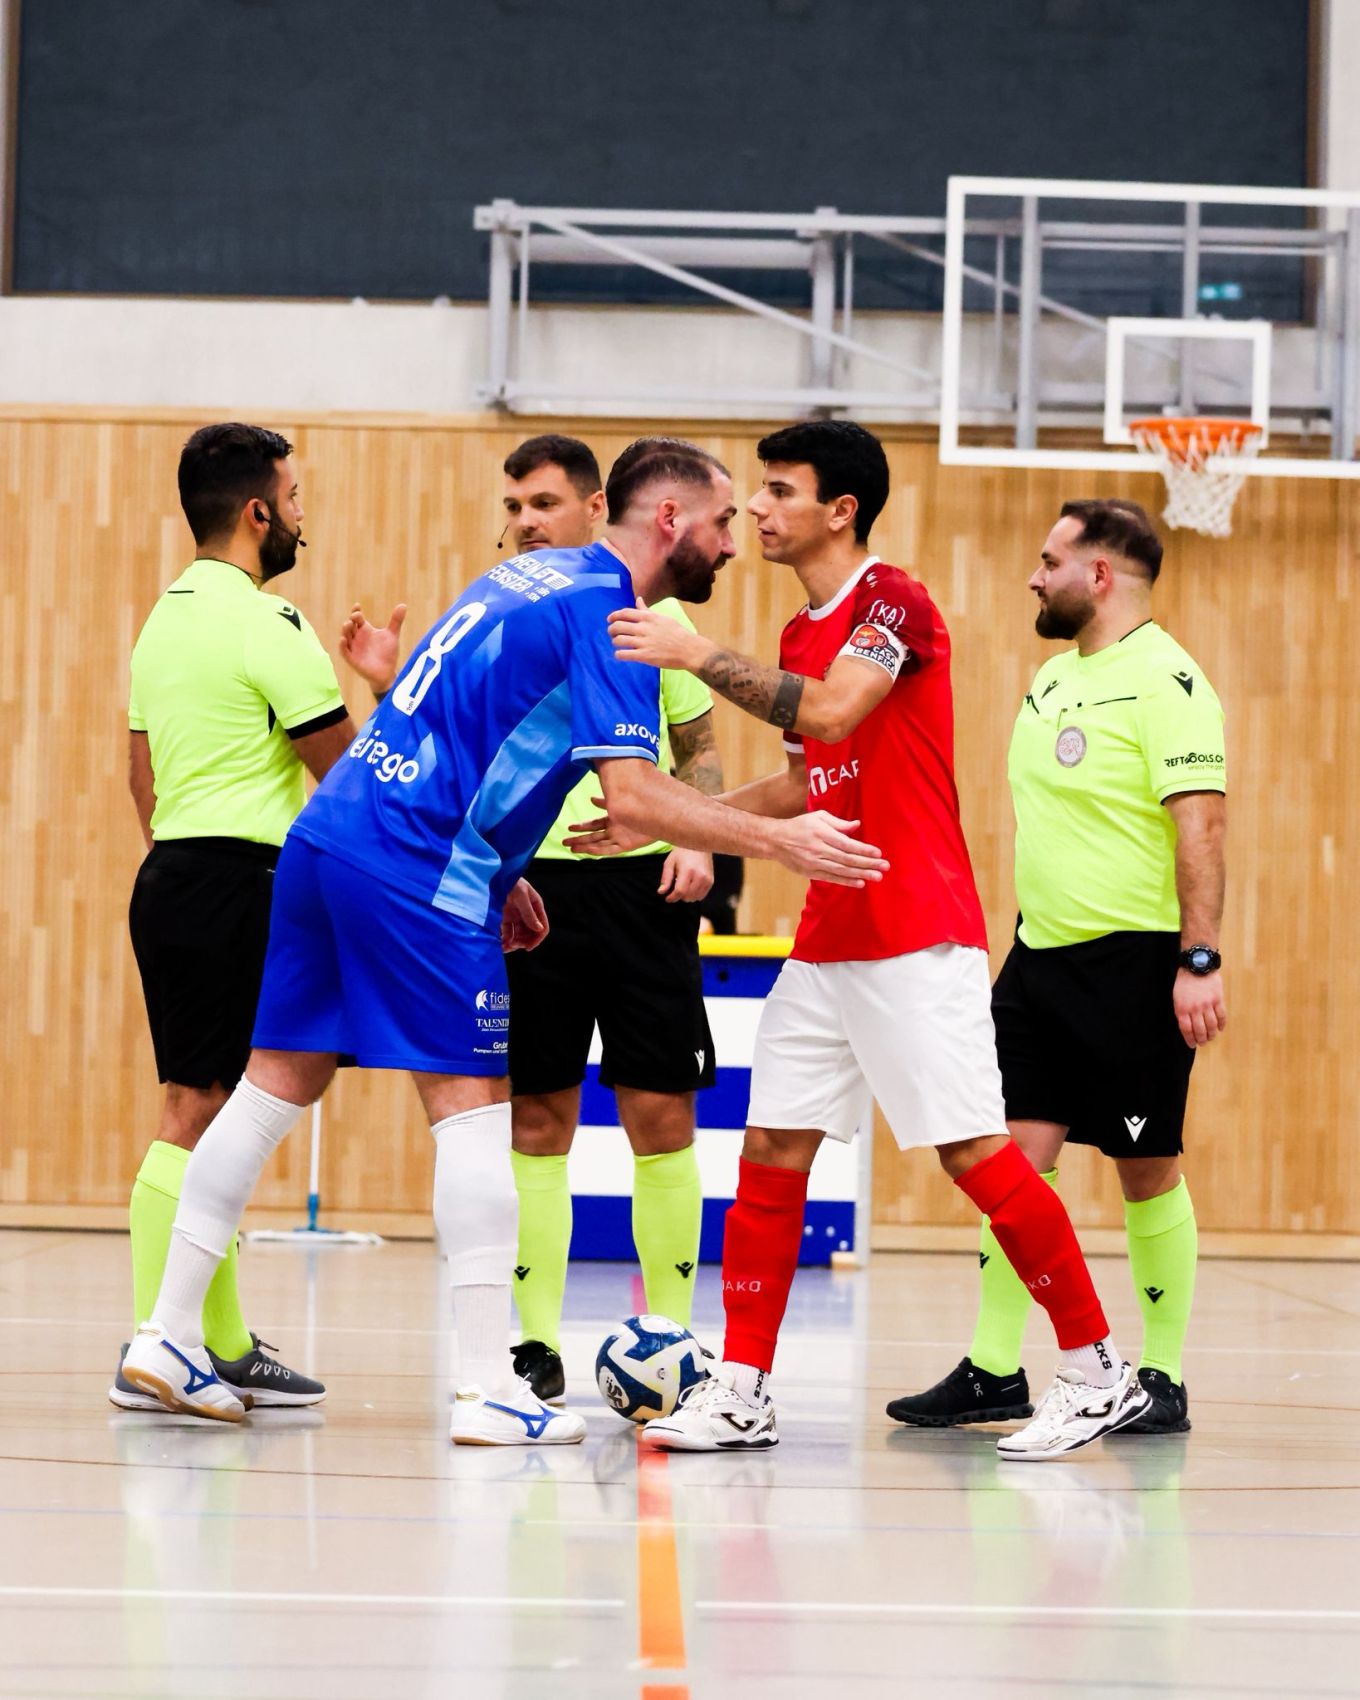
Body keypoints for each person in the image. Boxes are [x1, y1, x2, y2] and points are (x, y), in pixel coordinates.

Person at [121, 437, 886, 1447]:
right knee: (475, 1113)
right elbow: (635, 795)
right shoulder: (608, 610)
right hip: (417, 872)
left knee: (269, 1088)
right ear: (669, 521)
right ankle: (490, 1388)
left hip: (330, 840)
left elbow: (445, 729)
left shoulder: (521, 578)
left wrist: (503, 867)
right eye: (718, 523)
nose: (731, 542)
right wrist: (779, 838)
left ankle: (167, 1332)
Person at [604, 420, 1149, 1458]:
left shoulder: (893, 599)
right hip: (829, 936)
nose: (757, 508)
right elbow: (806, 779)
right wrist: (670, 817)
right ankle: (744, 1387)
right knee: (771, 1148)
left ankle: (1095, 1370)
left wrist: (694, 652)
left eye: (779, 489)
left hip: (915, 926)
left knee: (974, 1151)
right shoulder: (799, 633)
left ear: (840, 508)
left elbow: (837, 712)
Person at [343, 432, 725, 1404]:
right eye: (513, 507)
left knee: (660, 1113)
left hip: (641, 892)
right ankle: (534, 1344)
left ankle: (672, 1338)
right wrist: (385, 683)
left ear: (598, 510)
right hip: (526, 893)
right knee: (537, 1114)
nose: (523, 522)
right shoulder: (505, 607)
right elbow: (451, 743)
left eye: (544, 504)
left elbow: (697, 744)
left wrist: (700, 840)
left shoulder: (654, 616)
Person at [887, 499, 1225, 1436]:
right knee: (1008, 1165)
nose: (1034, 577)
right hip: (1037, 960)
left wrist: (1199, 958)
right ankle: (996, 1369)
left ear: (1099, 574)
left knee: (1145, 1168)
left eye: (1050, 561)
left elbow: (1202, 826)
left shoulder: (1169, 682)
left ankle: (1163, 1375)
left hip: (1134, 964)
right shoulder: (1051, 678)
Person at [115, 423, 355, 1413]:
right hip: (239, 881)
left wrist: (188, 855)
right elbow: (350, 776)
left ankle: (210, 1339)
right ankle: (163, 1344)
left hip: (172, 872)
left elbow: (142, 777)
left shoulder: (161, 621)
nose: (300, 517)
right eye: (292, 500)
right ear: (258, 512)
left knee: (201, 1105)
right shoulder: (271, 622)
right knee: (205, 1112)